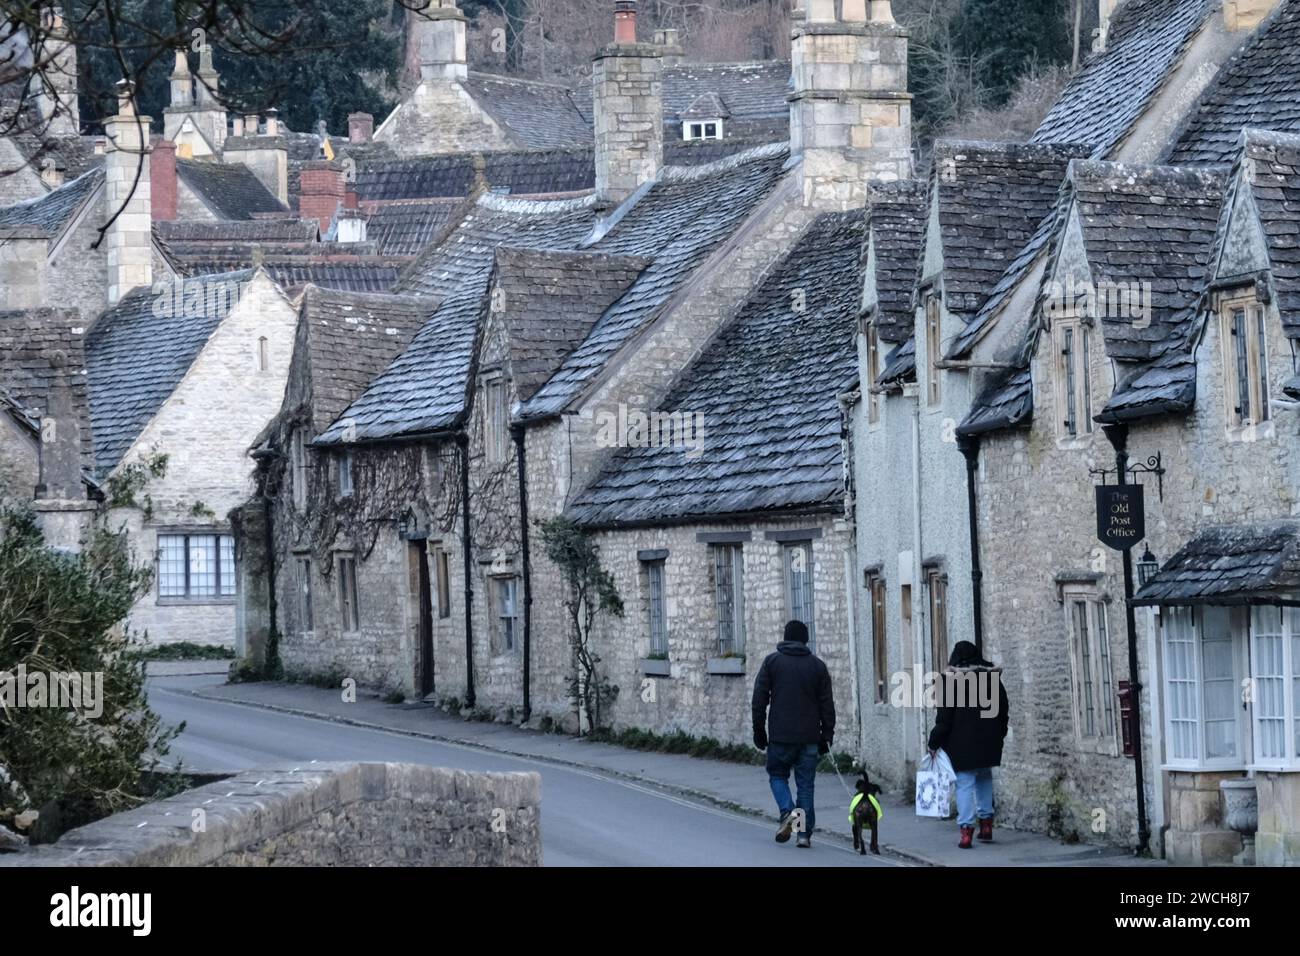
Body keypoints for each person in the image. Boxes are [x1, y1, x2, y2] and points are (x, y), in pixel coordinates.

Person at [752, 619, 836, 848]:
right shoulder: (818, 666)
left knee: (777, 775)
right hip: (809, 737)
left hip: (780, 736)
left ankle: (788, 812)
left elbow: (759, 700)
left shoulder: (772, 662)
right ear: (805, 640)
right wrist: (827, 735)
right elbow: (827, 705)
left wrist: (759, 731)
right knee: (806, 785)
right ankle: (803, 835)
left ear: (785, 638)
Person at [927, 640, 1010, 849]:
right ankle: (986, 825)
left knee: (964, 783)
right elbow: (1002, 710)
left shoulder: (952, 682)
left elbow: (944, 719)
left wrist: (933, 742)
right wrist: (1000, 734)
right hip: (988, 743)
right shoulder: (992, 679)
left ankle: (966, 831)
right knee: (984, 778)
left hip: (962, 745)